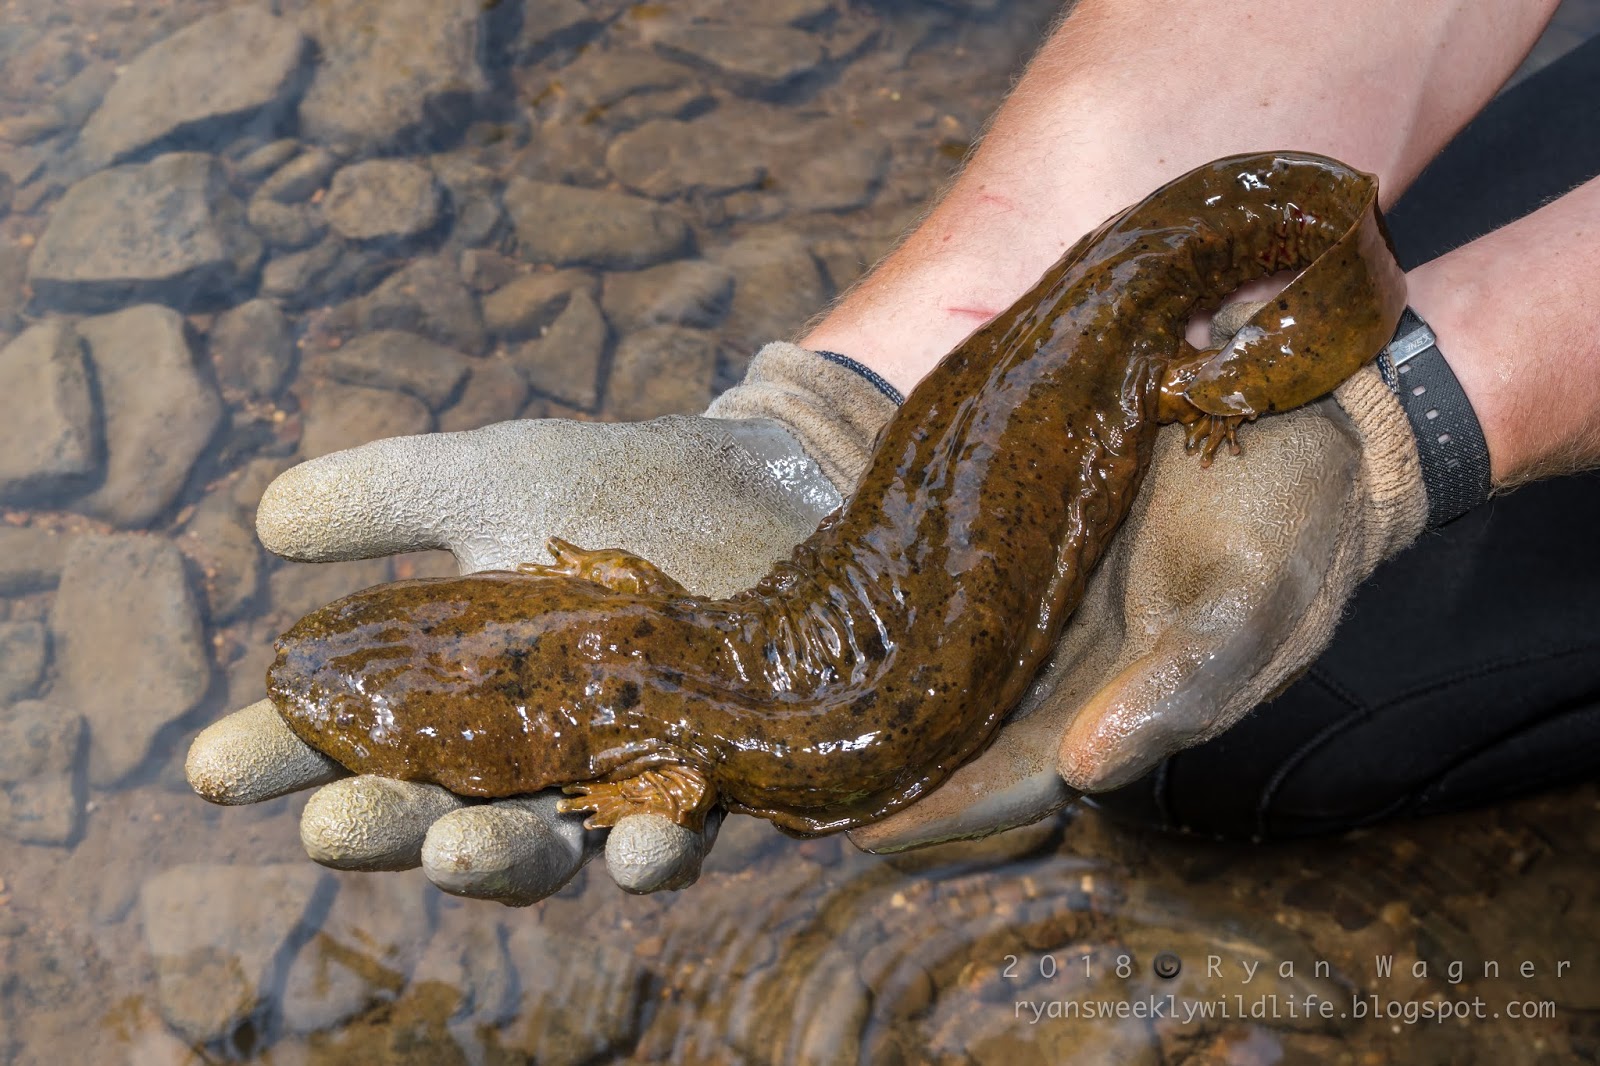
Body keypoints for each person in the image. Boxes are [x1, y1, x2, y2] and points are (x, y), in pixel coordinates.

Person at [187, 0, 1600, 905]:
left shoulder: (652, 726)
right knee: (1179, 706)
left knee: (1279, 744)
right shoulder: (623, 623)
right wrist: (870, 375)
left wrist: (1417, 416)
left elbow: (673, 770)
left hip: (1014, 476)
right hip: (997, 466)